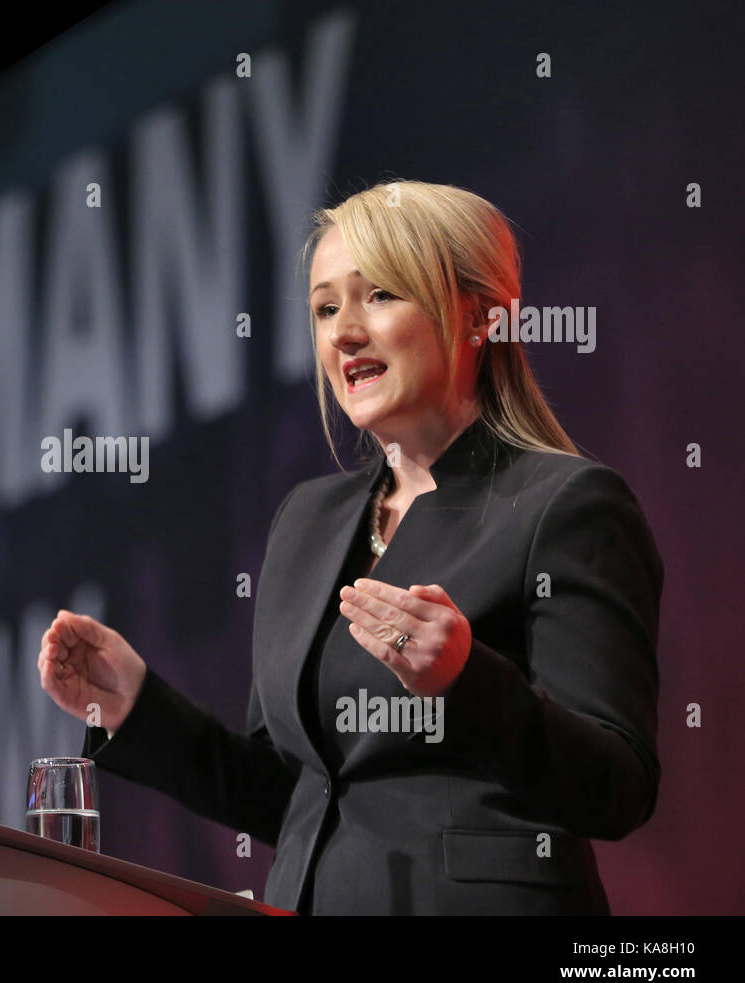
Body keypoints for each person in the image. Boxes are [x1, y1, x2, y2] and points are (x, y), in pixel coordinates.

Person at [35, 180, 663, 915]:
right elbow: (294, 794)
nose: (343, 333)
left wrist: (467, 681)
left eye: (380, 296)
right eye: (326, 308)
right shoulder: (309, 519)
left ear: (478, 317)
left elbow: (618, 787)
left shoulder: (564, 505)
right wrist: (139, 707)